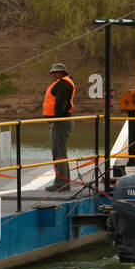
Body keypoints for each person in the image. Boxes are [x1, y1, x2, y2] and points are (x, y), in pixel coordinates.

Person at [43, 62, 75, 191]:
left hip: (60, 123)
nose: (54, 74)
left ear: (63, 73)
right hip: (61, 122)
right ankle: (64, 183)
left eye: (56, 72)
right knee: (60, 152)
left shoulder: (63, 84)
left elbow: (62, 103)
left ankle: (60, 184)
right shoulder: (62, 83)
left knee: (58, 153)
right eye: (53, 72)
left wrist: (57, 119)